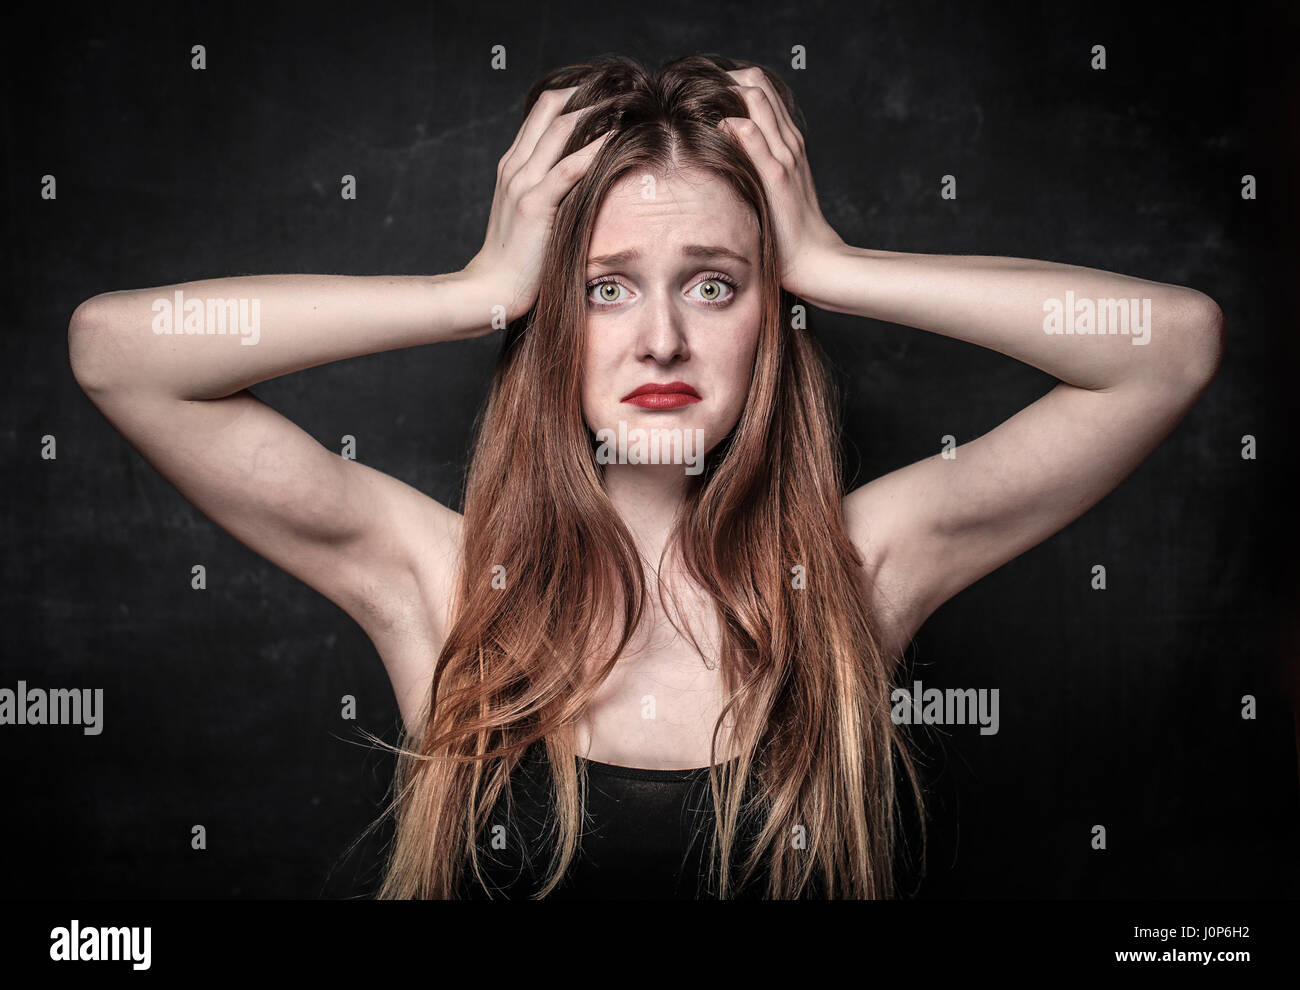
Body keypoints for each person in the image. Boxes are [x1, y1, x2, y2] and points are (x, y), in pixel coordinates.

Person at [67, 52, 1224, 899]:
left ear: (771, 317)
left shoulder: (858, 573)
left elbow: (1165, 348)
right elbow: (116, 354)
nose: (661, 339)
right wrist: (468, 293)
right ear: (546, 317)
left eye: (714, 284)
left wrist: (831, 261)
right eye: (606, 286)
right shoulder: (443, 582)